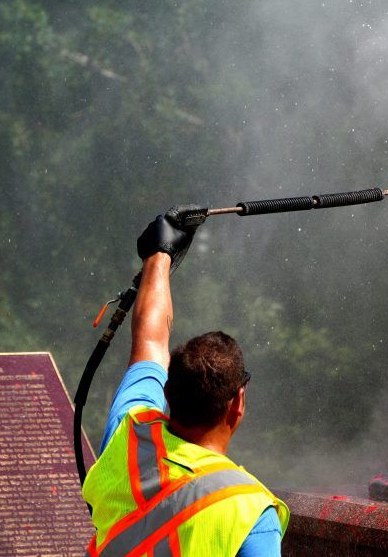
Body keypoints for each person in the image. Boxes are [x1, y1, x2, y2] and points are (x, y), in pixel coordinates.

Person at [82, 211, 288, 556]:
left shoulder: (129, 436)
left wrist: (159, 255)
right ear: (238, 401)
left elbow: (150, 342)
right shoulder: (249, 513)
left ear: (166, 392)